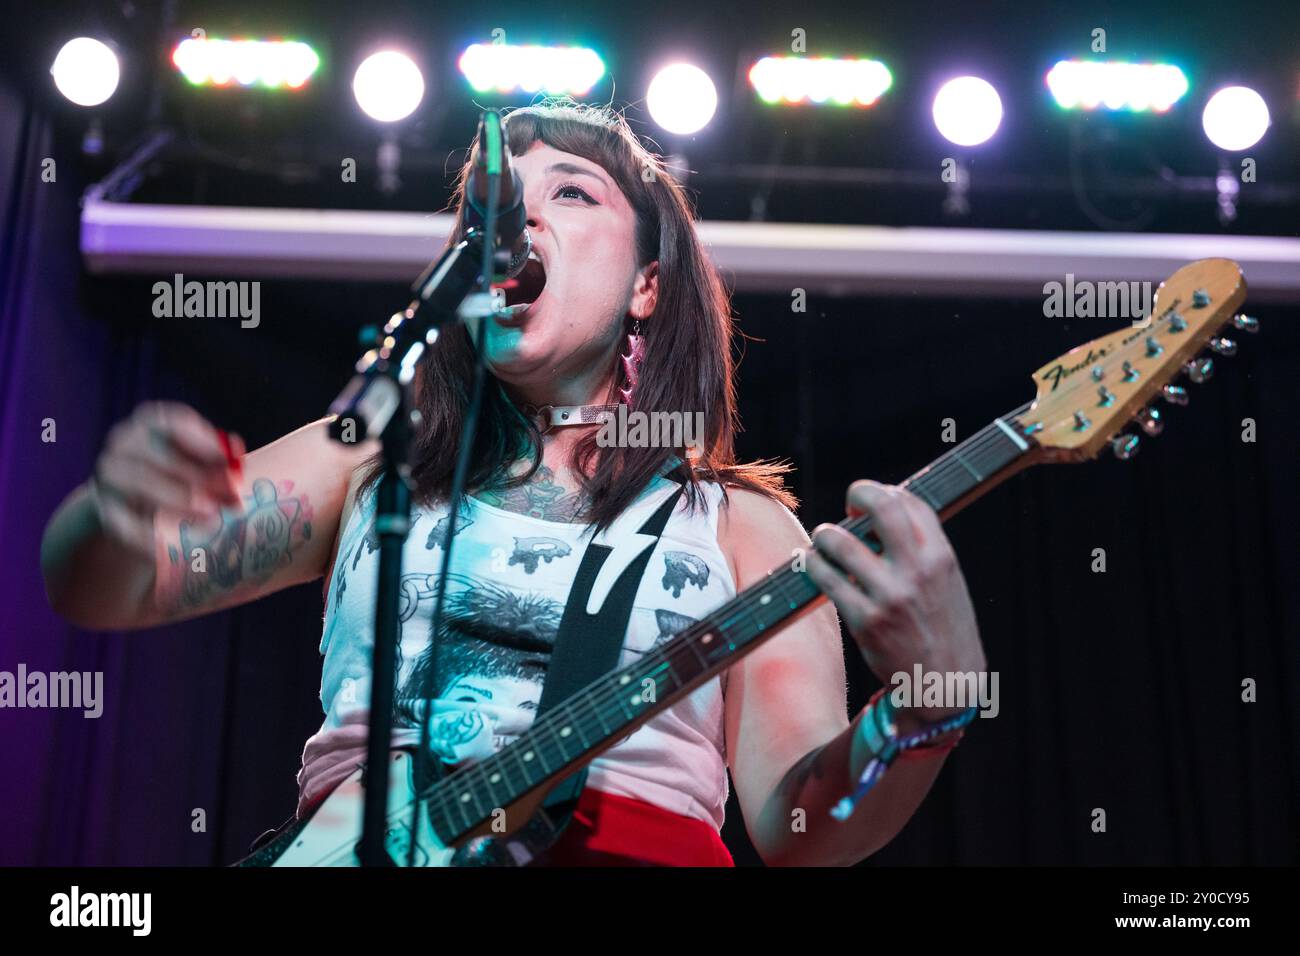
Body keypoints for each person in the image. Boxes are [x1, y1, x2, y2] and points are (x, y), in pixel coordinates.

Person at [40, 99, 986, 867]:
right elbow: (108, 587)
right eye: (490, 204)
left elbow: (802, 831)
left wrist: (931, 697)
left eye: (571, 194)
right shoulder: (370, 459)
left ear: (647, 284)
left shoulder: (737, 527)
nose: (517, 217)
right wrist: (112, 516)